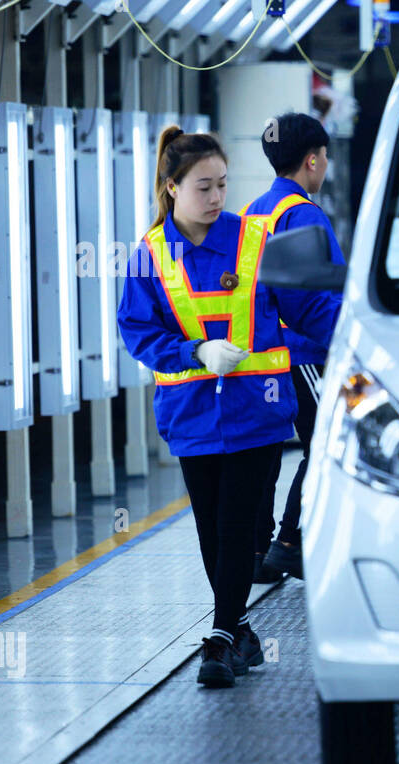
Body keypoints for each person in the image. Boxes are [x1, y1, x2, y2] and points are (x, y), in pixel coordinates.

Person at [117, 126, 341, 687]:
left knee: (241, 525)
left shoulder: (256, 240)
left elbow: (310, 307)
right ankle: (239, 629)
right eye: (203, 188)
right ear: (172, 188)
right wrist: (195, 349)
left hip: (258, 412)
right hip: (190, 415)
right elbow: (137, 329)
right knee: (212, 531)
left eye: (222, 185)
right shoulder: (149, 255)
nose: (217, 198)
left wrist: (367, 333)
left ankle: (218, 639)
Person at [244, 113, 345, 582]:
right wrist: (346, 344)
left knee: (266, 454)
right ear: (311, 159)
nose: (326, 164)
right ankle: (290, 541)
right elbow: (310, 298)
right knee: (326, 444)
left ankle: (257, 551)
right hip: (305, 352)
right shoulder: (303, 213)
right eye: (324, 156)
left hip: (266, 355)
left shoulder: (255, 210)